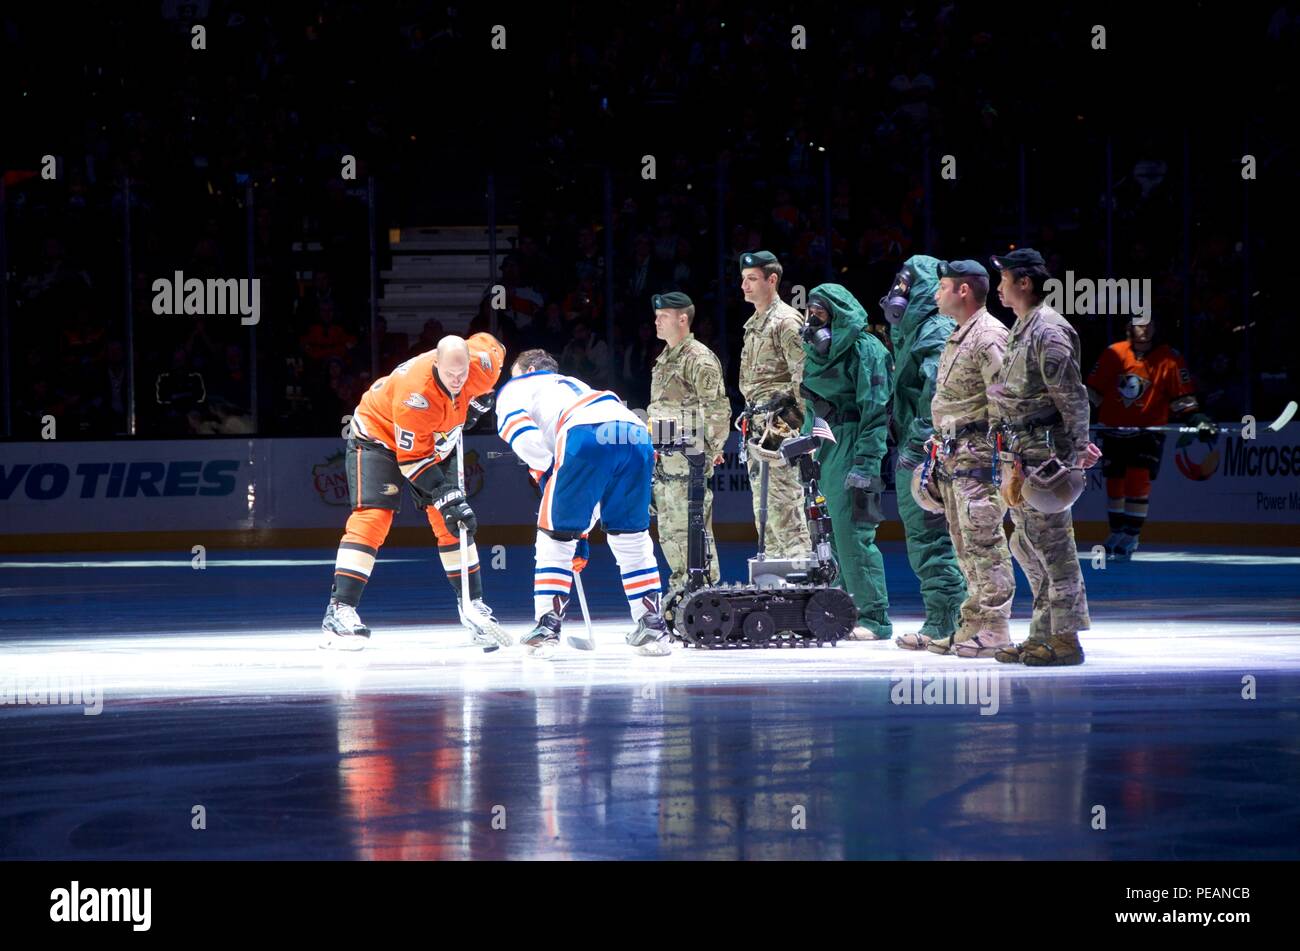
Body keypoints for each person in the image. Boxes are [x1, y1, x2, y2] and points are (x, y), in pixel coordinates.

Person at [320, 334, 510, 651]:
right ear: (436, 364)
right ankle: (339, 611)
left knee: (453, 522)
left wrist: (481, 398)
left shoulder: (483, 364)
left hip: (437, 440)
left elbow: (492, 345)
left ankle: (473, 606)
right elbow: (413, 461)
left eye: (462, 374)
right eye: (450, 374)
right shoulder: (416, 395)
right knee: (373, 516)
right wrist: (445, 494)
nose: (457, 380)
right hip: (379, 437)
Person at [495, 348, 671, 658]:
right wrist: (582, 530)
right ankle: (652, 626)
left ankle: (548, 627)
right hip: (634, 432)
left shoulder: (517, 387)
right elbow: (594, 487)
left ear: (530, 369)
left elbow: (522, 437)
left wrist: (554, 484)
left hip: (583, 434)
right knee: (631, 538)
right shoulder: (573, 384)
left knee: (553, 537)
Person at [986, 249, 1102, 667]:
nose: (998, 286)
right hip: (1020, 451)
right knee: (1027, 545)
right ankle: (1041, 634)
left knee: (1054, 548)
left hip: (1044, 455)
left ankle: (1066, 640)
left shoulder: (1049, 330)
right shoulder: (1022, 328)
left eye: (1004, 279)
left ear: (1025, 283)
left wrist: (1075, 452)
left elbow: (1072, 397)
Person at [913, 260, 1015, 656]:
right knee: (964, 542)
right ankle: (972, 622)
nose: (935, 294)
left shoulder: (989, 336)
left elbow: (1005, 401)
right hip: (955, 456)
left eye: (942, 287)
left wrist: (1005, 461)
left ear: (963, 291)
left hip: (979, 459)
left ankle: (995, 628)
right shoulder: (960, 336)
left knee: (985, 543)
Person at [799, 283, 894, 639]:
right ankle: (840, 610)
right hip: (825, 445)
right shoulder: (815, 353)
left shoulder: (865, 350)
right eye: (810, 309)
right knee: (826, 536)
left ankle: (874, 616)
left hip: (853, 443)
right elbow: (811, 404)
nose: (812, 317)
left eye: (820, 310)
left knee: (853, 533)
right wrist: (807, 447)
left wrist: (866, 464)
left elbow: (876, 412)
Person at [881, 255, 967, 645]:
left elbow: (935, 394)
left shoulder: (934, 329)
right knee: (926, 537)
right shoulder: (913, 331)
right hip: (920, 447)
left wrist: (915, 445)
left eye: (906, 282)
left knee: (931, 535)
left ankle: (947, 622)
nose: (898, 289)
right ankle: (945, 618)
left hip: (928, 451)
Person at [1087, 315, 1213, 559]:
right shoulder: (1114, 353)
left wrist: (1195, 418)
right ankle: (1116, 531)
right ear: (1129, 327)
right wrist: (1078, 415)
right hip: (1113, 431)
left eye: (1148, 324)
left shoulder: (1169, 357)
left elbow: (1181, 397)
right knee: (1114, 482)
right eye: (1138, 324)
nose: (1143, 329)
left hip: (1147, 432)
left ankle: (1131, 535)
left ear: (1155, 327)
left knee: (1138, 479)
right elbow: (1094, 392)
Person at [645, 292, 730, 591]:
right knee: (669, 532)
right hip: (666, 462)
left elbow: (717, 411)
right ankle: (681, 592)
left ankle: (705, 593)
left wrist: (707, 454)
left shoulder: (699, 358)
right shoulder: (665, 359)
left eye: (663, 315)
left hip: (688, 462)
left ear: (682, 319)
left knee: (692, 532)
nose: (656, 320)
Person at [737, 250, 812, 557]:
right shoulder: (754, 324)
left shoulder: (786, 321)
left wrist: (783, 431)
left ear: (772, 280)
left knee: (786, 513)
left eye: (752, 279)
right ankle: (779, 596)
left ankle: (805, 583)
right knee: (766, 516)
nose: (744, 285)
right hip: (758, 427)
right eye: (743, 279)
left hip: (778, 430)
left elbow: (804, 383)